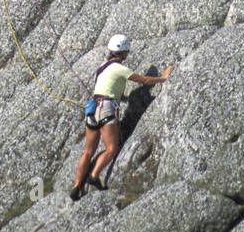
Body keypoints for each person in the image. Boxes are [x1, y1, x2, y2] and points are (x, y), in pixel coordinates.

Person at [70, 34, 173, 201]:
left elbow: (107, 87)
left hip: (93, 108)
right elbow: (144, 80)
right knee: (112, 148)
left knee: (88, 151)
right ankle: (94, 176)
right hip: (106, 109)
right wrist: (163, 78)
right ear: (123, 52)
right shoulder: (119, 68)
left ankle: (76, 186)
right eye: (126, 52)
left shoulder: (102, 67)